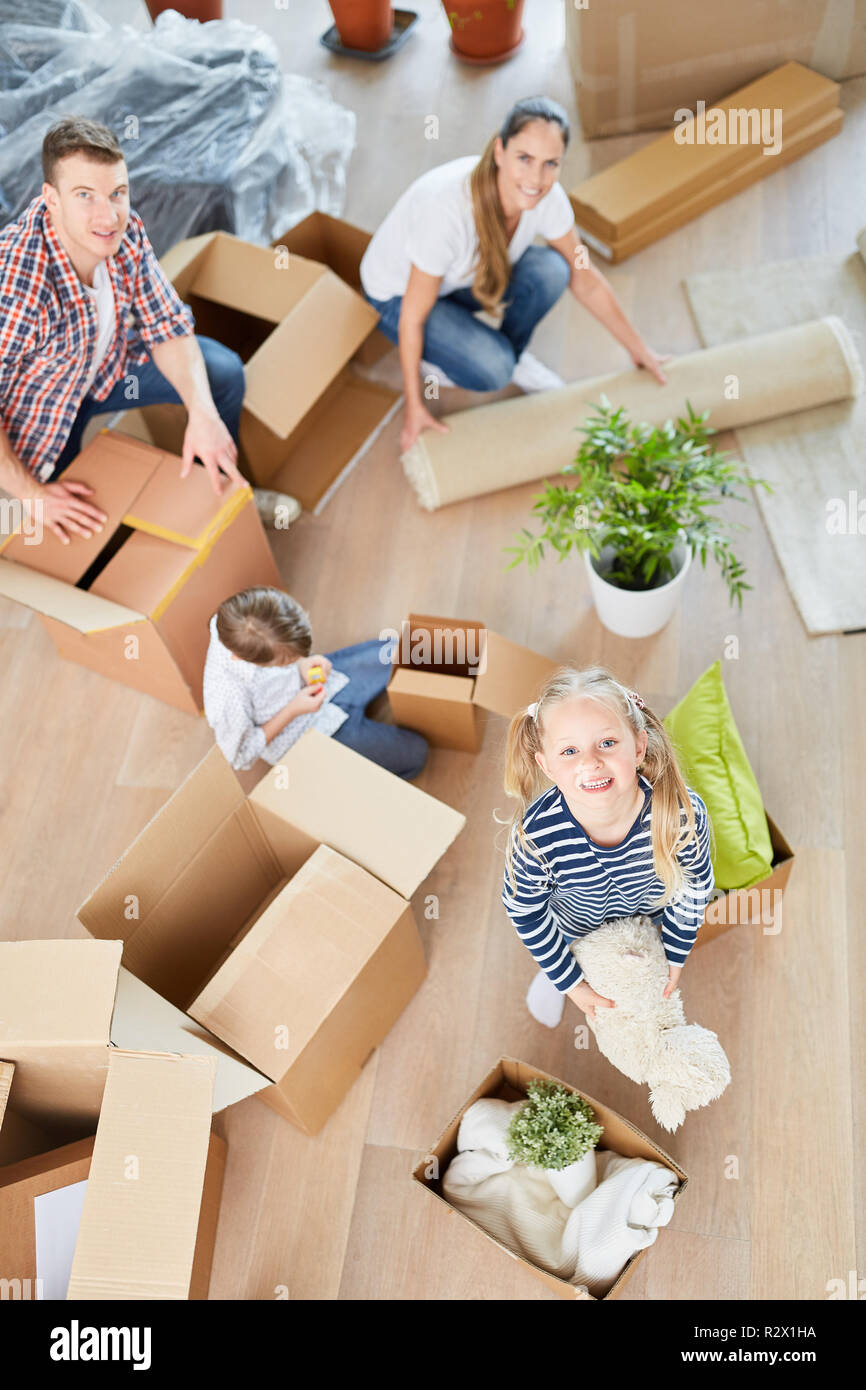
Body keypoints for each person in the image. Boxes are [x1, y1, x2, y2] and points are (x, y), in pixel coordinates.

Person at [0, 116, 300, 544]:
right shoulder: (17, 287)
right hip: (37, 417)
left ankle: (222, 493)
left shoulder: (124, 231)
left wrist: (202, 414)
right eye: (85, 196)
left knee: (222, 375)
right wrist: (32, 497)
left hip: (103, 368)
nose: (108, 216)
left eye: (117, 193)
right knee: (80, 529)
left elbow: (168, 326)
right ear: (51, 199)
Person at [359, 96, 669, 455]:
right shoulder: (445, 212)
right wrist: (415, 407)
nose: (536, 179)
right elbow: (413, 316)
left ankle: (507, 352)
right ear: (499, 151)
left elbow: (584, 277)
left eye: (550, 164)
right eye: (524, 159)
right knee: (492, 372)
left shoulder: (547, 198)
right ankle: (451, 358)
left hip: (456, 280)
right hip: (397, 298)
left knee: (554, 269)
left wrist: (639, 349)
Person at [501, 665, 714, 1029]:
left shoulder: (678, 813)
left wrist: (675, 953)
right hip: (575, 928)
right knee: (571, 964)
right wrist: (571, 984)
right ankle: (564, 972)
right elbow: (525, 912)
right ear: (547, 765)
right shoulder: (536, 838)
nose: (590, 762)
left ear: (639, 746)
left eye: (607, 743)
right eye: (569, 751)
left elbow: (694, 886)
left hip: (648, 920)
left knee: (640, 995)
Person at [203, 586, 428, 780]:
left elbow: (286, 647)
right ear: (244, 659)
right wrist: (293, 710)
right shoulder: (226, 696)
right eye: (284, 661)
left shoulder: (243, 615)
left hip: (327, 685)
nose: (291, 661)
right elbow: (240, 755)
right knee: (417, 754)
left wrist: (303, 663)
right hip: (305, 733)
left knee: (405, 649)